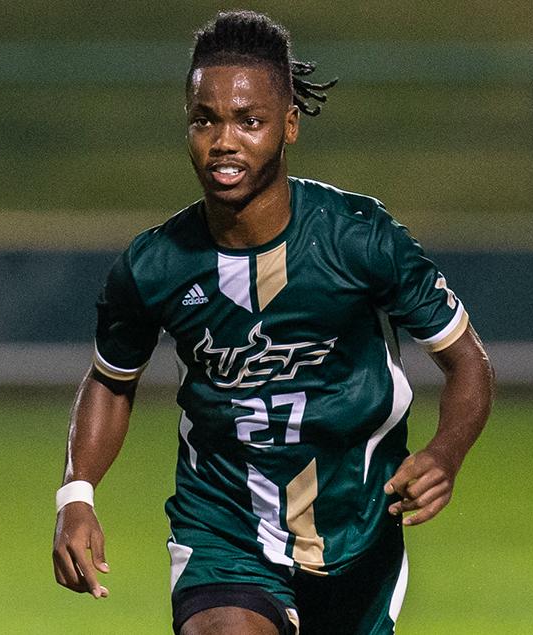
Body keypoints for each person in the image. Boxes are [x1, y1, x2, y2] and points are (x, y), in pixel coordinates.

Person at [52, 10, 495, 635]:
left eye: (249, 121)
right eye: (204, 120)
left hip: (358, 532)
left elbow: (468, 362)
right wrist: (76, 494)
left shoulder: (360, 241)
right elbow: (111, 379)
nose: (223, 140)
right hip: (223, 528)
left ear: (289, 125)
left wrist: (446, 453)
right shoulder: (154, 266)